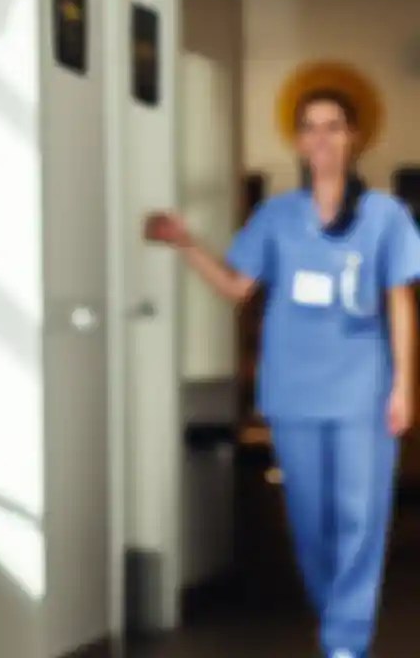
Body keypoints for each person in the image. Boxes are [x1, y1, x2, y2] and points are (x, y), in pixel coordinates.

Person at [146, 89, 420, 658]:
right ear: (298, 141)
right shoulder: (276, 217)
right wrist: (187, 244)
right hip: (294, 391)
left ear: (353, 138)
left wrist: (404, 386)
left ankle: (345, 643)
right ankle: (336, 617)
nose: (322, 138)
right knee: (309, 520)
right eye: (311, 127)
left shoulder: (385, 217)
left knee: (362, 517)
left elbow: (400, 302)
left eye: (334, 126)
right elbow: (236, 288)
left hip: (364, 389)